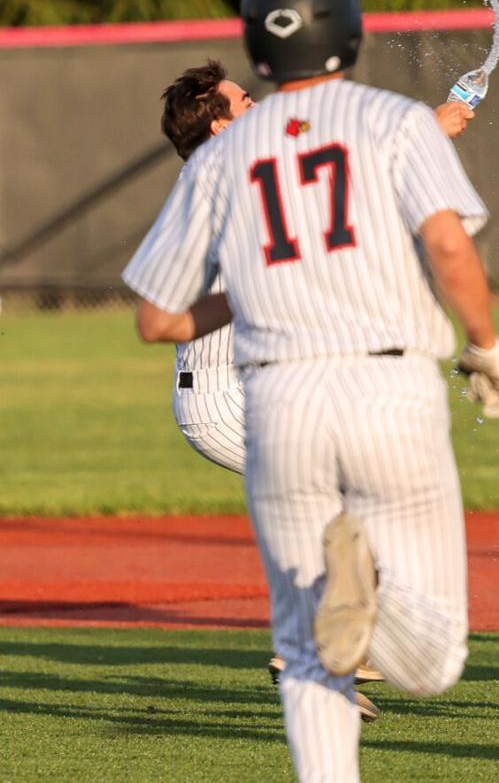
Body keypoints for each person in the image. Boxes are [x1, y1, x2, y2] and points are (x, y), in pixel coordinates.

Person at [123, 0, 499, 781]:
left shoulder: (225, 162)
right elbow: (446, 240)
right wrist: (483, 343)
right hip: (382, 386)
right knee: (434, 654)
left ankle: (340, 623)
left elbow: (157, 318)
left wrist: (252, 298)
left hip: (279, 400)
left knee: (308, 652)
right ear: (348, 28)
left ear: (260, 47)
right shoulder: (389, 121)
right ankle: (373, 617)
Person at [153, 60, 475, 722]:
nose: (256, 104)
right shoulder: (224, 182)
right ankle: (311, 652)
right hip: (224, 398)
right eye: (242, 101)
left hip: (236, 390)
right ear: (218, 123)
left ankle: (336, 647)